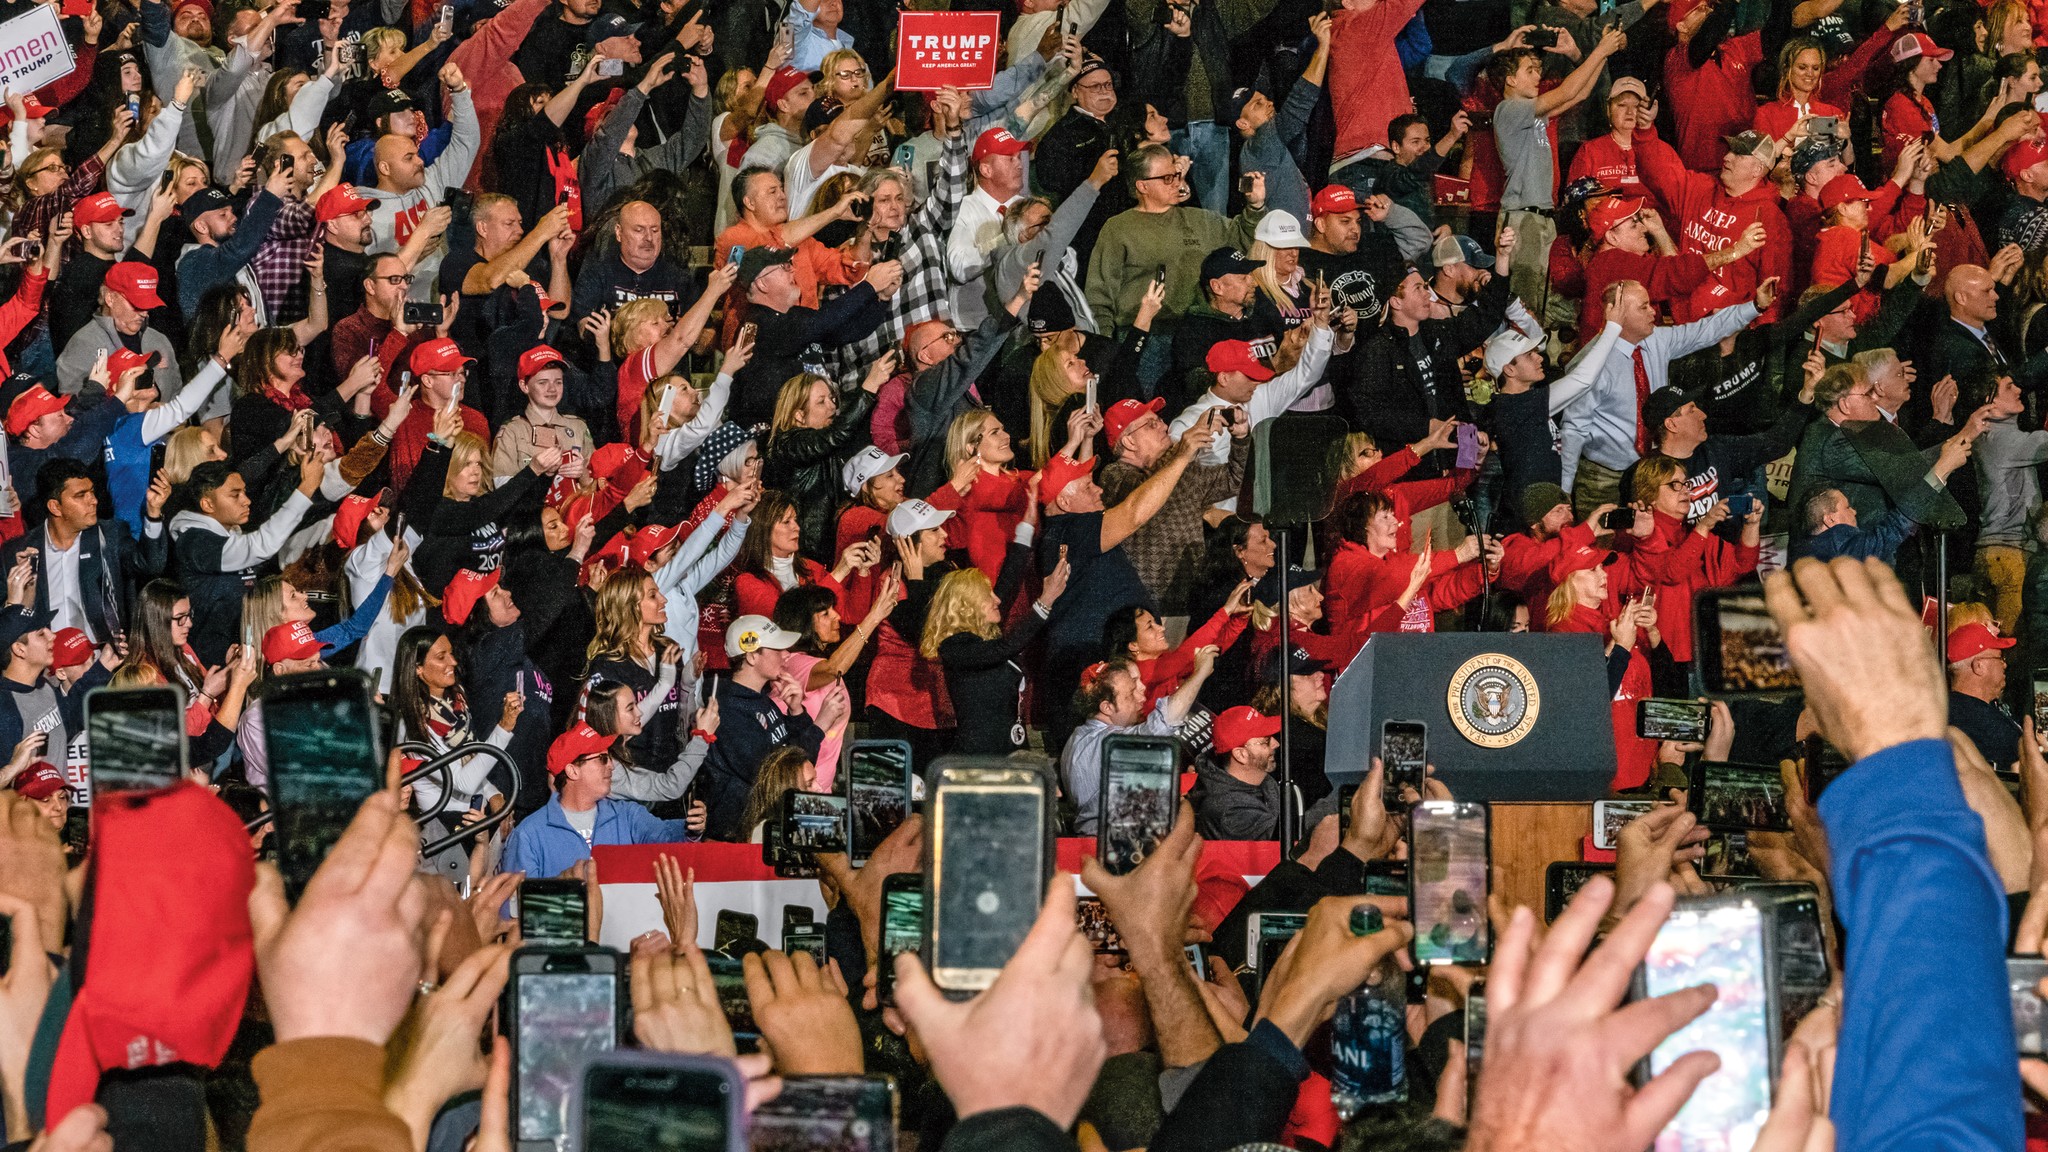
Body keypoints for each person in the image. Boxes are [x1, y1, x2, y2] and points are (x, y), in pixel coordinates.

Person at [501, 722, 700, 878]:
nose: (611, 766)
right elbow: (516, 909)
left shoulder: (627, 816)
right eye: (602, 759)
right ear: (572, 770)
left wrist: (691, 829)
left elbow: (667, 840)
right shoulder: (528, 835)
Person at [1060, 648, 1215, 834]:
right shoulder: (1106, 743)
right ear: (1107, 707)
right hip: (1110, 845)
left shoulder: (1078, 736)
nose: (1140, 697)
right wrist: (1200, 673)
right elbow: (1160, 726)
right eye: (1131, 693)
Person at [701, 614, 827, 841]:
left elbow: (797, 763)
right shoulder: (728, 711)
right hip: (736, 837)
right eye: (777, 648)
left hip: (759, 827)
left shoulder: (761, 700)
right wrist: (818, 728)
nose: (786, 654)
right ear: (751, 656)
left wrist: (796, 711)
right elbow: (784, 778)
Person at [1188, 705, 1282, 840]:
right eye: (1266, 741)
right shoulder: (1227, 810)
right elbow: (1284, 840)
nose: (1276, 744)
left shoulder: (1261, 782)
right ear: (1241, 755)